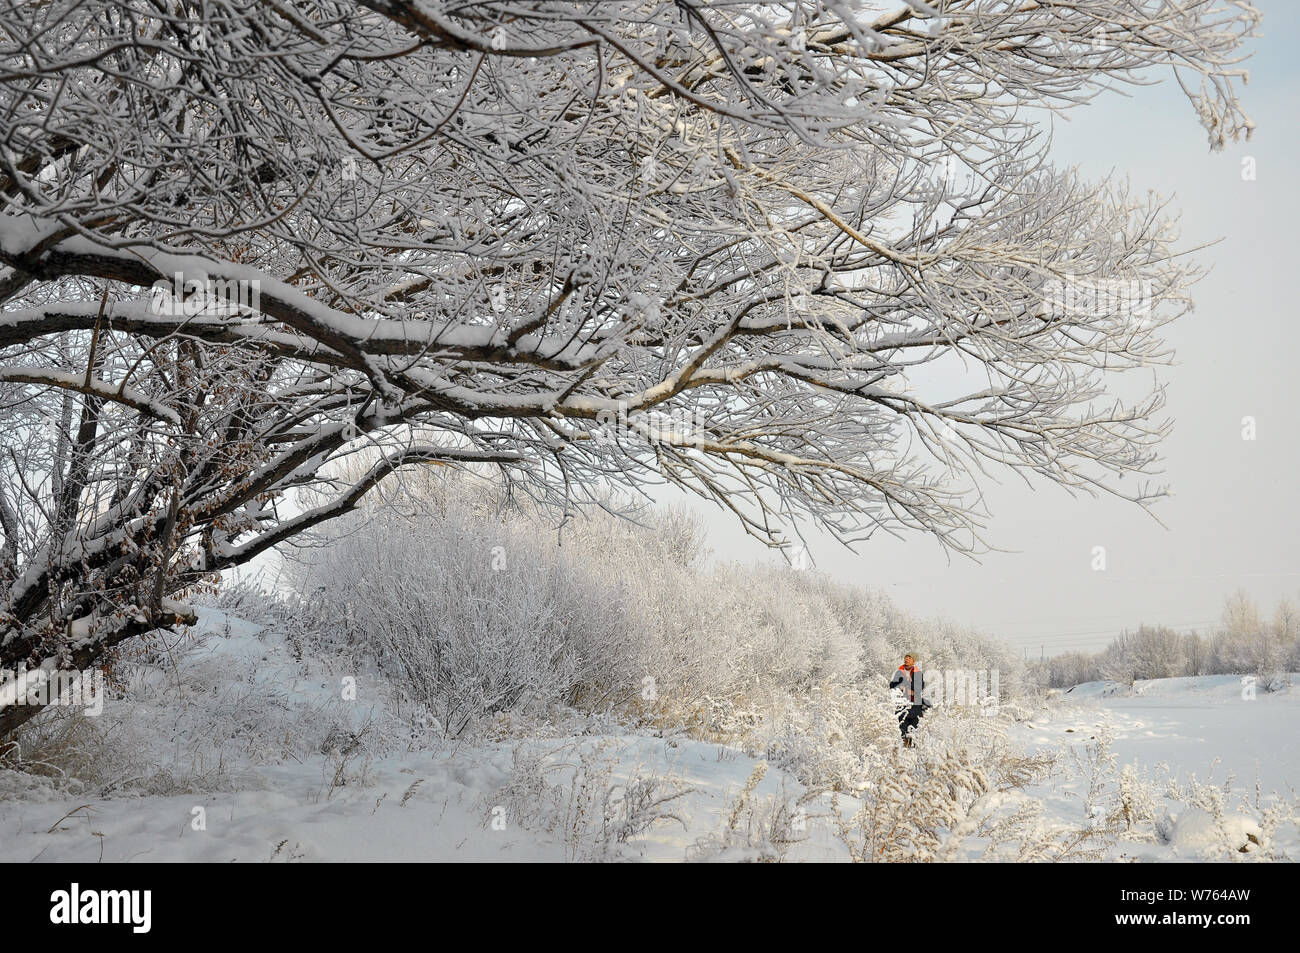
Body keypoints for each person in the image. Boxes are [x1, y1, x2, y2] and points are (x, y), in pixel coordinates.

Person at [889, 653, 932, 747]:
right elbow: (892, 685)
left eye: (909, 658)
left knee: (914, 730)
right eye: (905, 658)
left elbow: (919, 687)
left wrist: (905, 685)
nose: (906, 659)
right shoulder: (899, 672)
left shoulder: (918, 673)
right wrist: (902, 686)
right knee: (902, 730)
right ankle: (904, 750)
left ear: (913, 661)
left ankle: (913, 751)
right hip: (902, 705)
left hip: (915, 706)